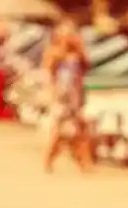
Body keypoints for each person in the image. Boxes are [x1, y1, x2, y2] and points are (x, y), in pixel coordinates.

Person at [42, 23, 93, 172]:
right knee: (60, 131)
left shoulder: (78, 53)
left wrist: (80, 48)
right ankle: (50, 159)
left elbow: (86, 67)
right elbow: (48, 74)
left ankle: (84, 162)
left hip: (76, 94)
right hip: (62, 94)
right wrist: (52, 94)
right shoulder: (53, 52)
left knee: (81, 129)